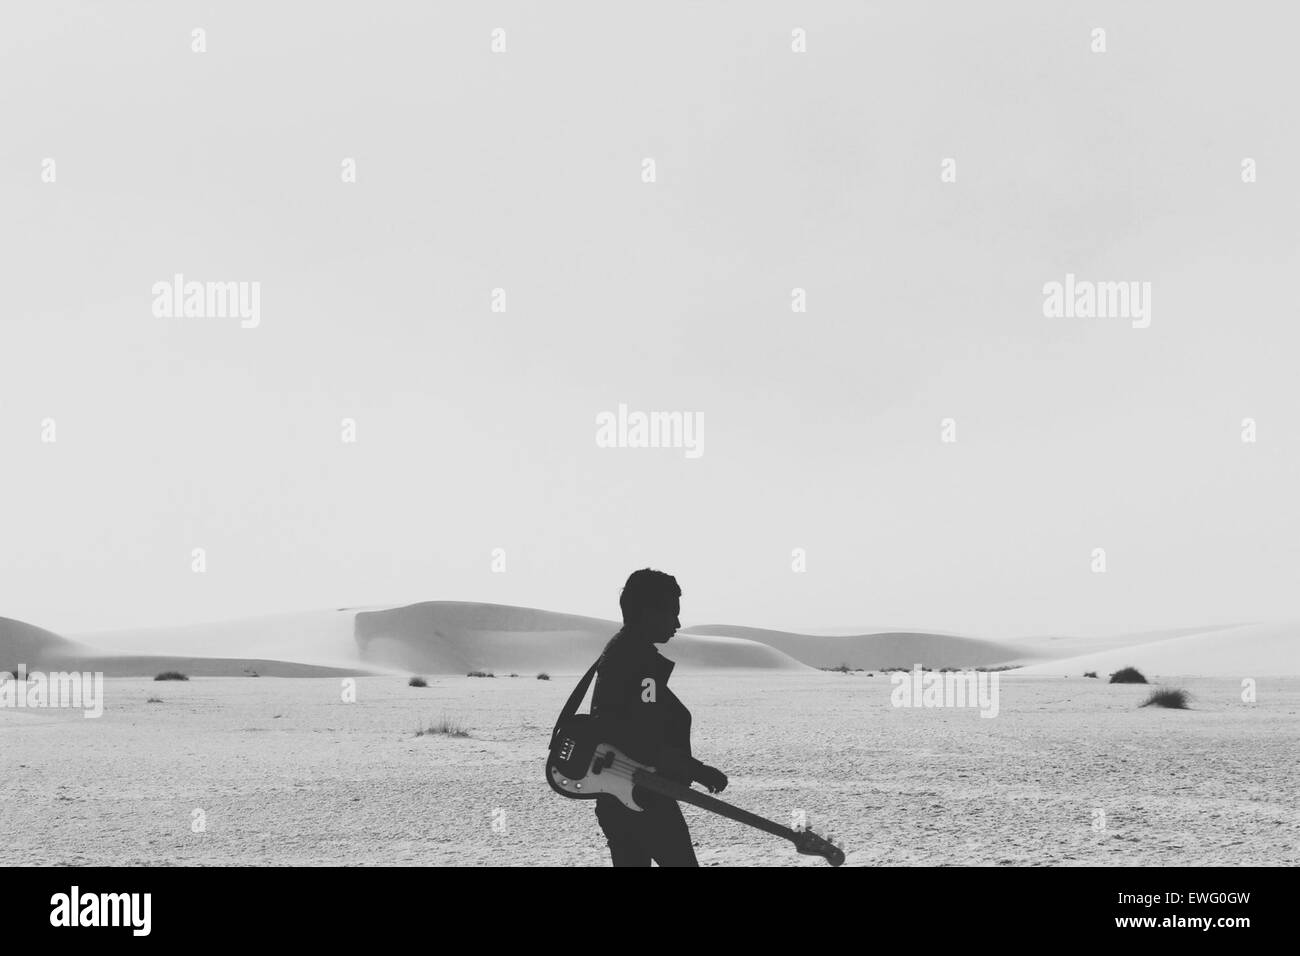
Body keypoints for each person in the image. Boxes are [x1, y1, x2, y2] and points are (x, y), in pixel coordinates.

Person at [590, 568, 728, 866]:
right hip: (643, 797)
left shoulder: (622, 651)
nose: (677, 623)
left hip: (622, 796)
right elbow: (641, 737)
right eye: (671, 612)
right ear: (648, 612)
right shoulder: (637, 662)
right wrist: (696, 770)